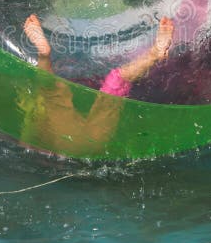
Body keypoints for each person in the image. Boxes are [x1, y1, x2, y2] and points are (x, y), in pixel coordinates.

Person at [17, 14, 173, 156]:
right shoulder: (44, 104)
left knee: (50, 91)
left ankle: (43, 54)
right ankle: (155, 53)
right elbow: (46, 83)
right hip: (83, 141)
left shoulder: (36, 109)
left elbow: (27, 140)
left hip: (71, 145)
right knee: (117, 80)